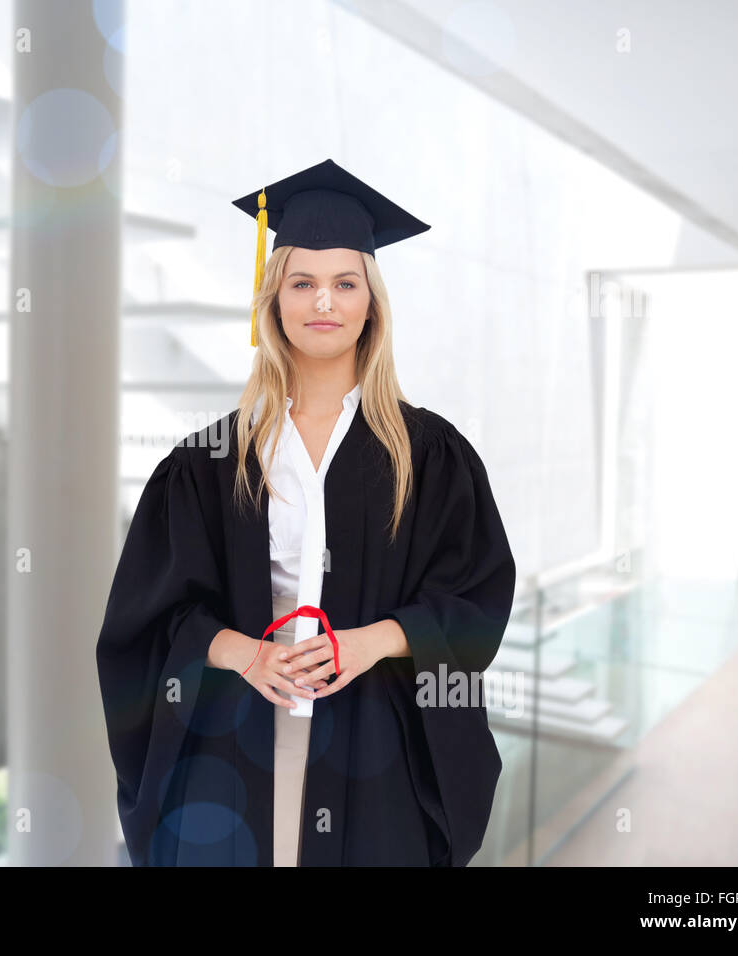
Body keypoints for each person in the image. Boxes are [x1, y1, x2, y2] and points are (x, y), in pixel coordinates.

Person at [95, 158, 517, 866]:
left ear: (371, 303)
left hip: (376, 749)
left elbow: (475, 601)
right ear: (275, 301)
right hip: (229, 751)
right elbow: (147, 624)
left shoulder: (430, 454)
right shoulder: (206, 463)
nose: (325, 301)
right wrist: (249, 655)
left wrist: (375, 640)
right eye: (303, 283)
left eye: (345, 283)